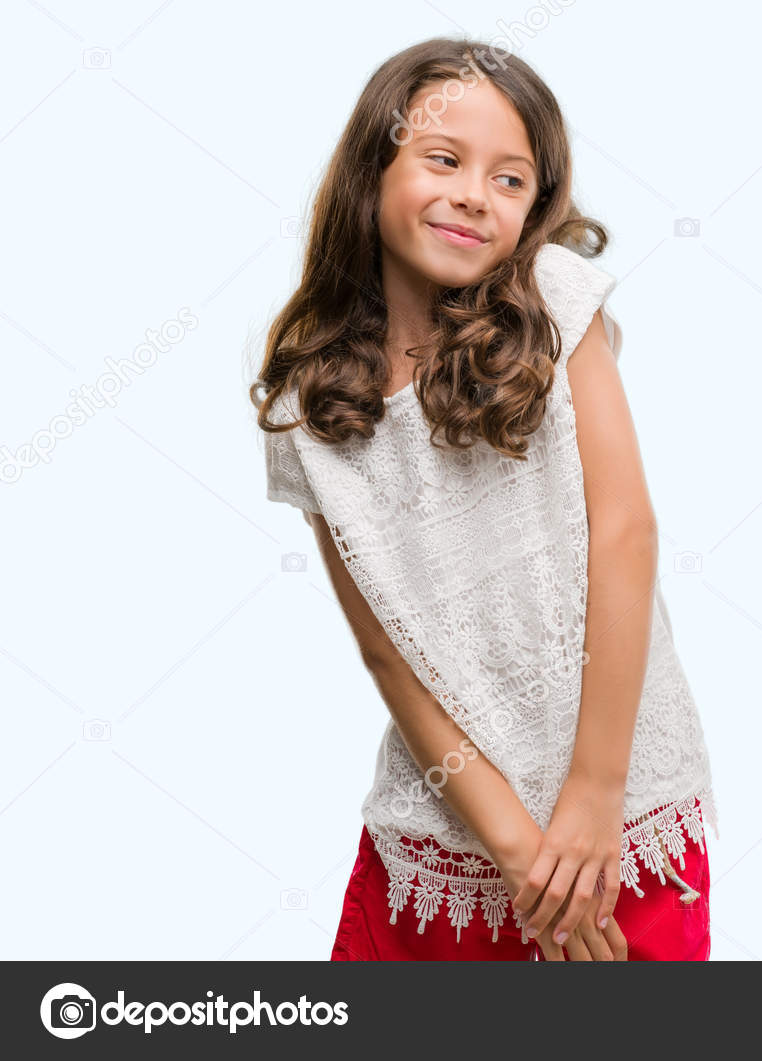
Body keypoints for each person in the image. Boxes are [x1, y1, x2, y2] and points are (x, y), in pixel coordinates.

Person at [250, 37, 718, 961]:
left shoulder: (552, 302)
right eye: (444, 159)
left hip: (624, 817)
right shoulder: (313, 407)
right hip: (446, 839)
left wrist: (593, 795)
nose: (475, 193)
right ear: (370, 171)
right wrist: (510, 842)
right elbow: (387, 651)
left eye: (511, 181)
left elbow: (625, 532)